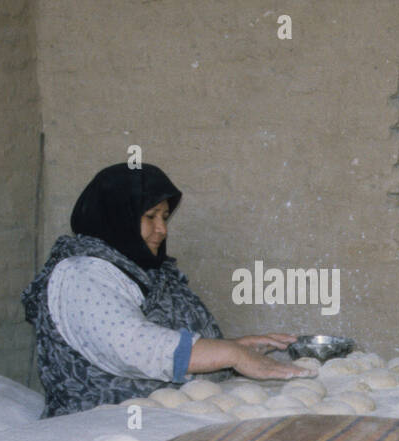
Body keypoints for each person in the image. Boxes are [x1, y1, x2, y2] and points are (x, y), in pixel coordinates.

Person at [22, 163, 310, 417]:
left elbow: (165, 338)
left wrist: (235, 347)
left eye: (165, 217)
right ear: (114, 215)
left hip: (165, 416)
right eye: (150, 216)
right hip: (102, 427)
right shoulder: (80, 275)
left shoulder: (142, 269)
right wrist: (231, 354)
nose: (162, 229)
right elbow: (133, 345)